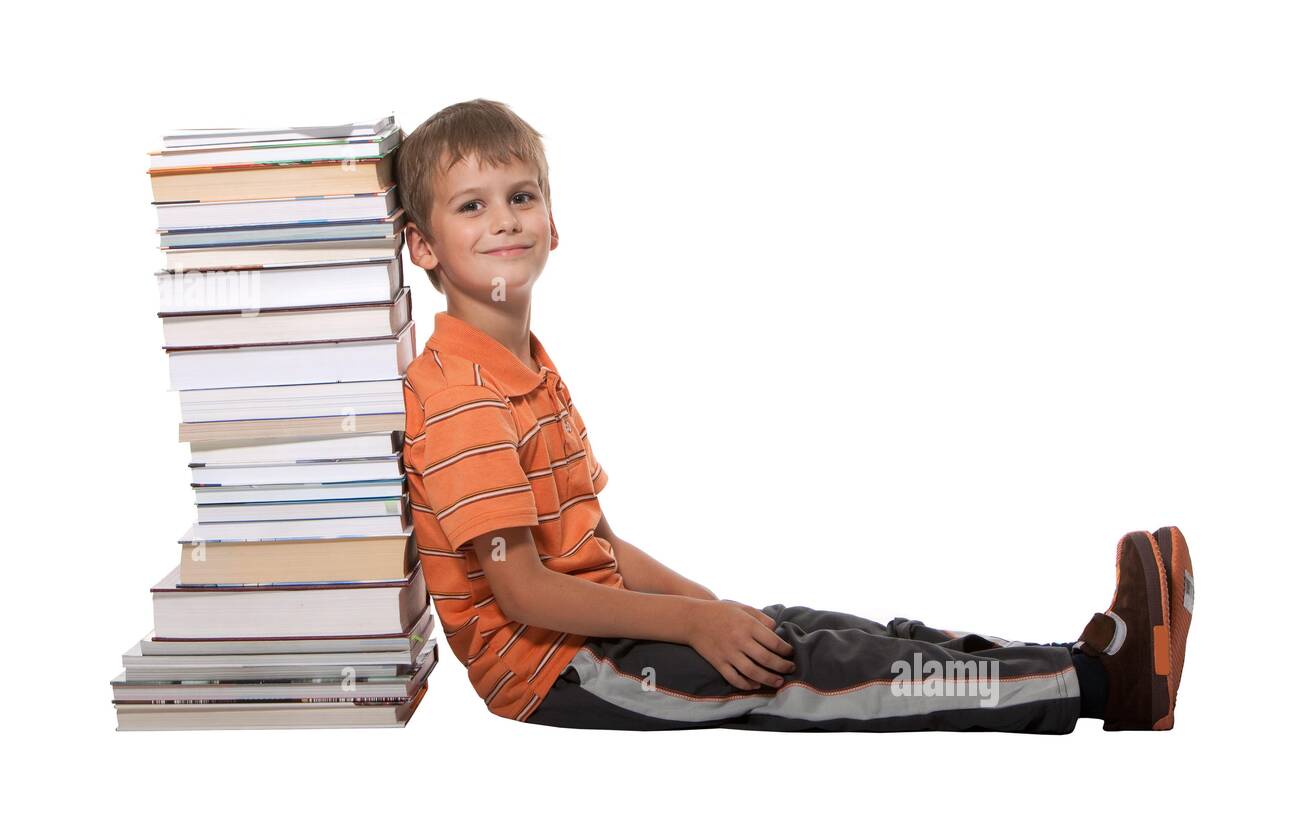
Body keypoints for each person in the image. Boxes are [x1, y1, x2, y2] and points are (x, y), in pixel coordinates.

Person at [395, 98, 1195, 733]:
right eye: (471, 206)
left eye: (522, 196)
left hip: (602, 630)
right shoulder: (463, 393)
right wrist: (691, 625)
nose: (504, 220)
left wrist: (707, 610)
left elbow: (596, 542)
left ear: (554, 222)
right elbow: (525, 593)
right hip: (558, 668)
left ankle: (1084, 658)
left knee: (814, 629)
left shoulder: (528, 366)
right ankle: (1099, 687)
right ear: (423, 246)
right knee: (816, 672)